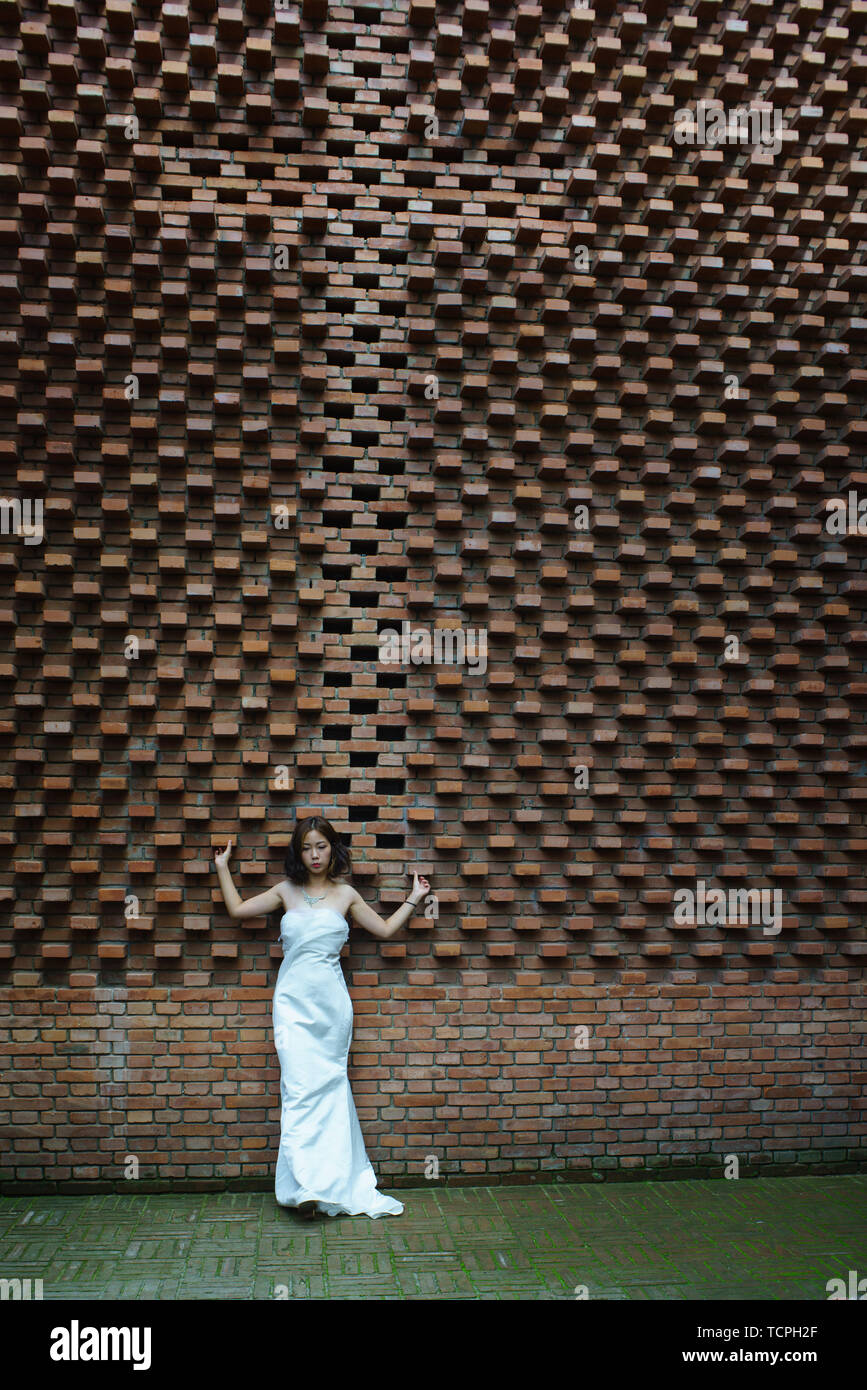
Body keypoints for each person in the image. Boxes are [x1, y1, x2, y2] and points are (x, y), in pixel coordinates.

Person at [214, 816, 430, 1220]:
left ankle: (326, 1184)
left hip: (331, 1009)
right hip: (292, 1005)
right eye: (307, 848)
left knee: (329, 1090)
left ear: (333, 849)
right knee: (297, 1092)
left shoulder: (346, 895)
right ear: (299, 853)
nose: (314, 855)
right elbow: (238, 909)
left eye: (321, 846)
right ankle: (303, 1187)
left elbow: (383, 931)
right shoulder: (285, 891)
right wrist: (223, 867)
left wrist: (414, 897)